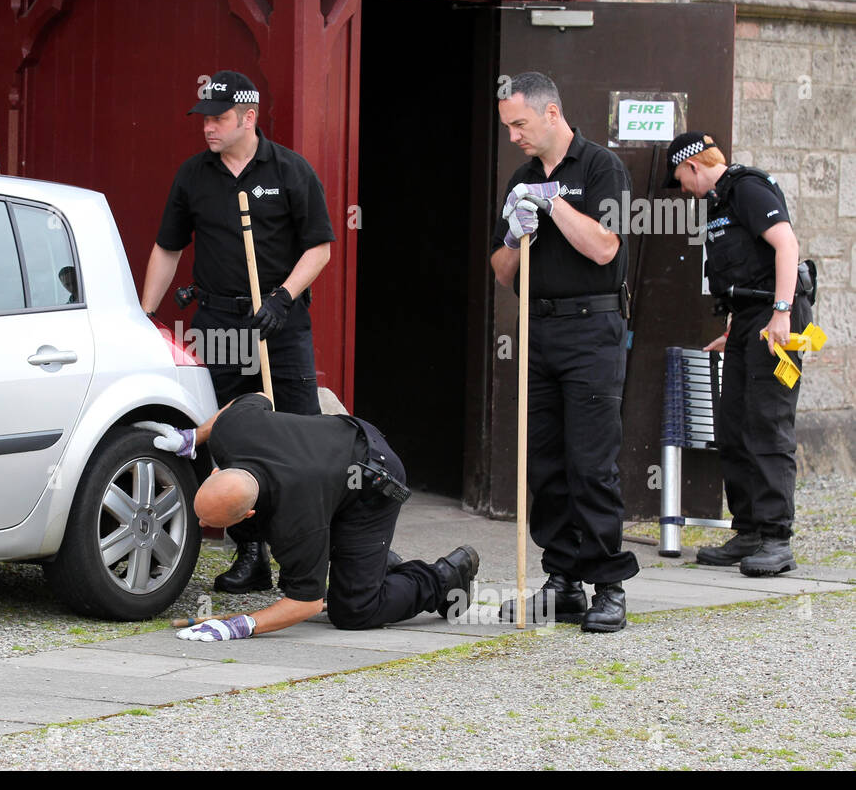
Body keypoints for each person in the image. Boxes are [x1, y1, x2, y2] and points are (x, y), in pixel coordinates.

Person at [141, 70, 334, 595]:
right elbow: (168, 247)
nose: (208, 127)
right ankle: (252, 552)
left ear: (249, 118)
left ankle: (308, 555)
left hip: (280, 322)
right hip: (220, 322)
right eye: (204, 117)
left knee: (297, 434)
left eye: (219, 117)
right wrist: (144, 314)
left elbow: (320, 247)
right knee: (228, 436)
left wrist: (282, 298)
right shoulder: (193, 175)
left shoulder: (291, 171)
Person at [136, 396, 478, 640]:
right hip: (331, 458)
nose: (200, 528)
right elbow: (255, 397)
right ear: (213, 474)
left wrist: (242, 625)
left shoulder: (298, 521)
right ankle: (372, 564)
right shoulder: (233, 432)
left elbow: (306, 603)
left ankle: (444, 580)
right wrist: (195, 436)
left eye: (213, 524)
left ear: (249, 511)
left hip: (372, 479)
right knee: (338, 568)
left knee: (354, 610)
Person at [489, 71, 638, 632]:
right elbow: (503, 273)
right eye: (508, 127)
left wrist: (553, 207)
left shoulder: (602, 168)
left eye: (520, 124)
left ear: (552, 115)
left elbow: (604, 247)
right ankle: (563, 579)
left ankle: (608, 584)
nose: (515, 137)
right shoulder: (522, 178)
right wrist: (510, 235)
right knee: (545, 462)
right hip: (540, 328)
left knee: (591, 462)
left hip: (592, 330)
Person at [666, 132, 812, 576]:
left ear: (693, 166)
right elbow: (743, 271)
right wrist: (734, 327)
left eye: (680, 179)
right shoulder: (719, 203)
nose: (683, 190)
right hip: (751, 319)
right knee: (734, 423)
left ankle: (775, 538)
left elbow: (787, 246)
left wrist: (781, 314)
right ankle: (748, 530)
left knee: (767, 424)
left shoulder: (747, 188)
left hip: (779, 318)